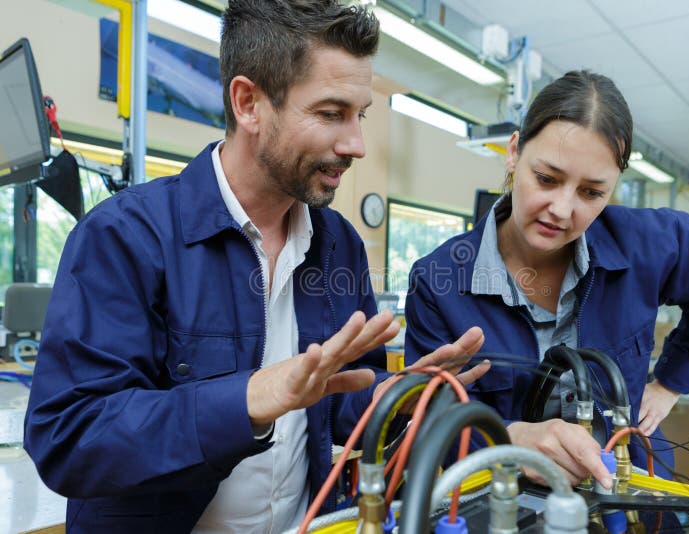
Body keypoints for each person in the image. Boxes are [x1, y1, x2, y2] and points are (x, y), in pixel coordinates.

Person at [23, 1, 486, 532]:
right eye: (331, 113)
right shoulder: (124, 236)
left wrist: (387, 399)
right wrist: (248, 400)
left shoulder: (339, 246)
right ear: (248, 103)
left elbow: (329, 402)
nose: (355, 144)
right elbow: (69, 437)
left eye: (360, 115)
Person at [404, 70, 689, 487]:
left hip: (626, 479)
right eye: (547, 179)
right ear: (514, 153)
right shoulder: (437, 282)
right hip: (502, 492)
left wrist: (671, 384)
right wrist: (509, 438)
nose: (563, 210)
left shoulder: (655, 243)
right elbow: (433, 416)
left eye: (591, 192)